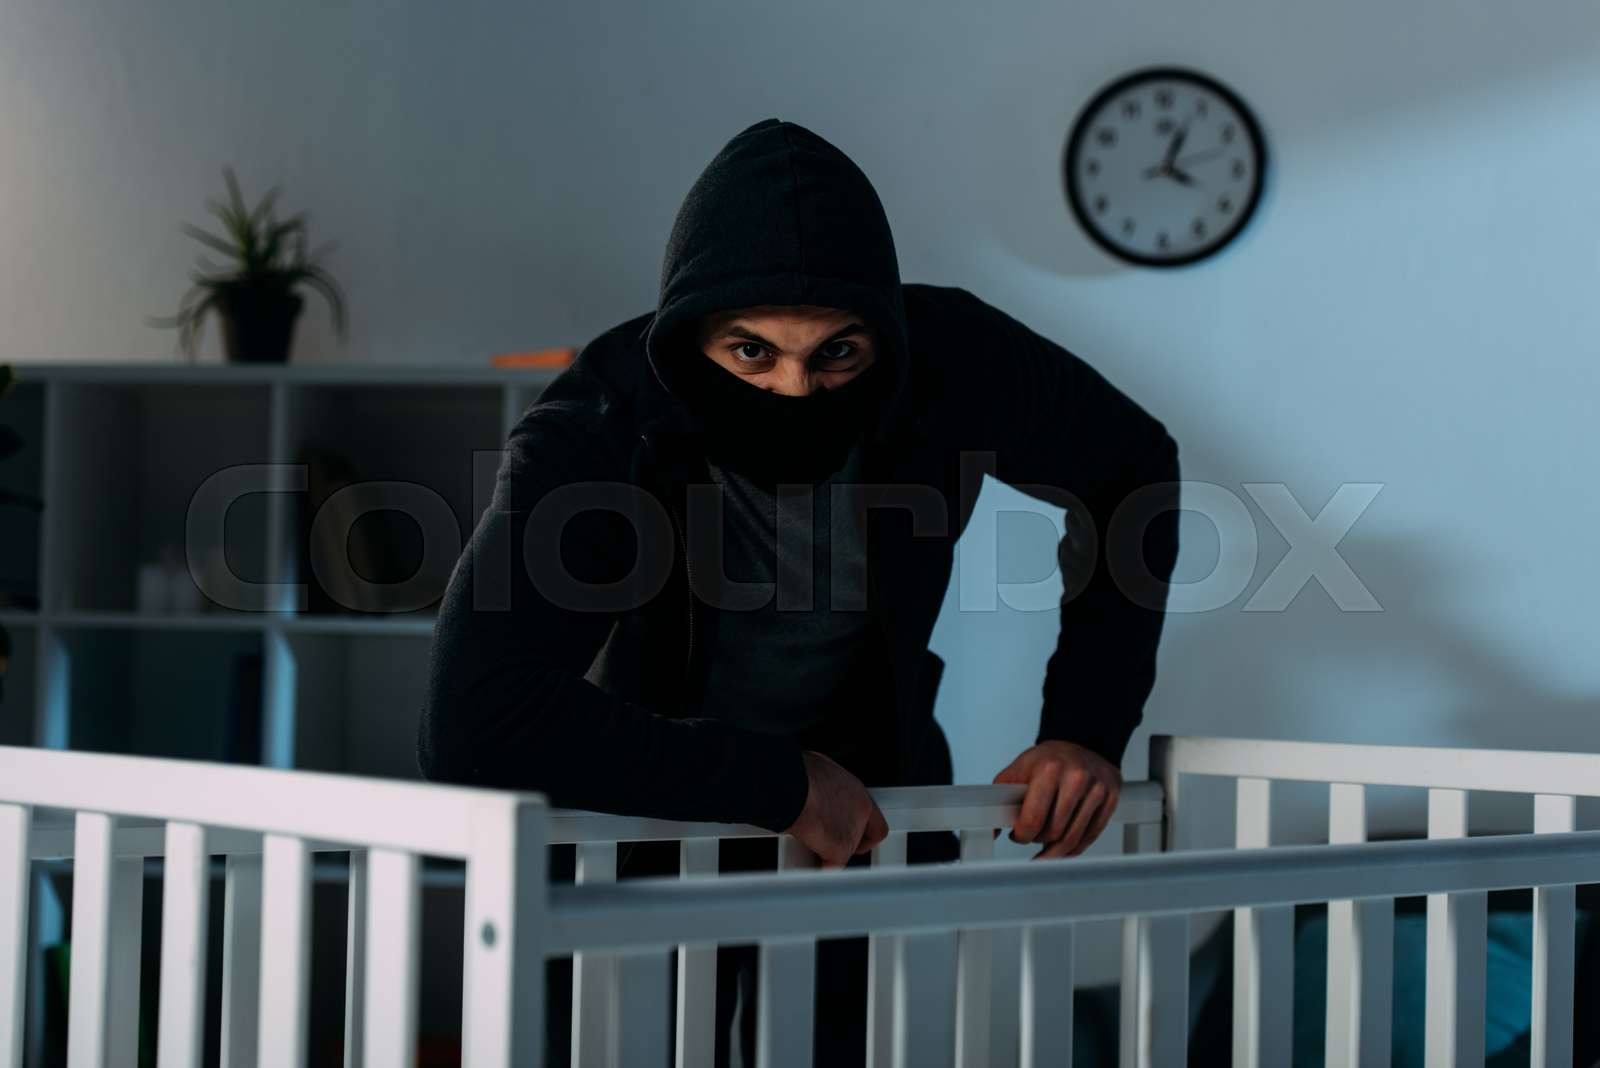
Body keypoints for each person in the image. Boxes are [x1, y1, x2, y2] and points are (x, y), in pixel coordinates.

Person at [418, 117, 1180, 1065]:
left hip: (868, 808)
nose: (793, 392)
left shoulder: (954, 358)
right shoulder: (601, 421)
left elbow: (1131, 467)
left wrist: (1087, 723)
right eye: (750, 354)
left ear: (884, 339)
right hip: (642, 803)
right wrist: (777, 781)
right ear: (687, 338)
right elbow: (472, 717)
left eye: (837, 356)